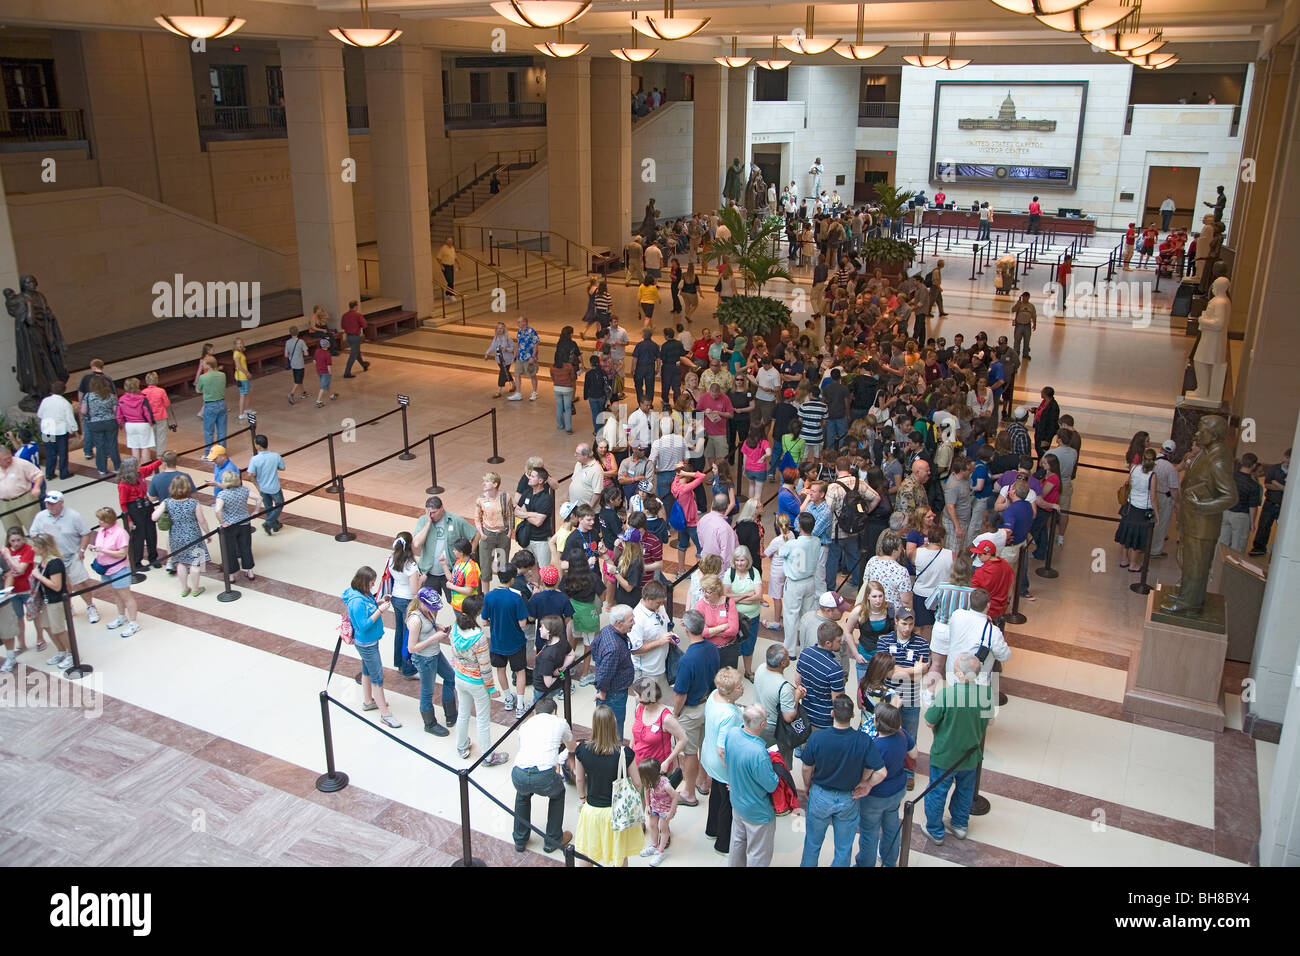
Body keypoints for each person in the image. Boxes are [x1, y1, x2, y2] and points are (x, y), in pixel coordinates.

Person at [800, 694, 885, 867]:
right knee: (844, 848)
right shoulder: (863, 740)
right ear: (853, 715)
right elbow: (881, 772)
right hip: (849, 798)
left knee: (812, 844)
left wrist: (807, 785)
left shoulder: (818, 738)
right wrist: (866, 784)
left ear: (832, 714)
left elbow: (806, 767)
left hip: (820, 796)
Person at [923, 653, 992, 846]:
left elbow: (929, 721)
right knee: (965, 790)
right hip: (970, 755)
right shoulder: (985, 694)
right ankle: (960, 825)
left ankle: (935, 830)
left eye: (955, 669)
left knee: (937, 792)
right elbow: (991, 720)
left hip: (945, 755)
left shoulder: (947, 694)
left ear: (961, 674)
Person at [573, 704, 644, 866]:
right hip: (617, 812)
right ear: (614, 725)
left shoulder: (582, 749)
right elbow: (638, 783)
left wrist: (583, 799)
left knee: (587, 853)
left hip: (592, 811)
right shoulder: (624, 753)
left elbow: (579, 779)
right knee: (620, 855)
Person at [511, 695, 577, 854]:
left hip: (518, 773)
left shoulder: (525, 726)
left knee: (522, 795)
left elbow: (522, 749)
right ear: (554, 711)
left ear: (535, 712)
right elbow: (572, 746)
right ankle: (553, 840)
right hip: (545, 775)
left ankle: (520, 839)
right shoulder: (560, 722)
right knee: (558, 794)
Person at [856, 700, 917, 867]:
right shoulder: (903, 734)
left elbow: (868, 772)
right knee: (891, 827)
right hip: (897, 790)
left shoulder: (875, 745)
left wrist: (863, 783)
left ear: (877, 721)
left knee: (869, 832)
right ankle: (889, 861)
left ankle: (865, 864)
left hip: (875, 796)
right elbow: (914, 753)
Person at [450, 593, 508, 764]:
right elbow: (485, 666)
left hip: (460, 676)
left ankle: (461, 746)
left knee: (463, 714)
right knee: (482, 720)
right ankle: (487, 756)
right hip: (476, 682)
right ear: (477, 612)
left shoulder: (455, 626)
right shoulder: (479, 637)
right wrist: (491, 688)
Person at [722, 703, 780, 867]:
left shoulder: (732, 734)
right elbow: (771, 785)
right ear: (762, 725)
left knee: (737, 843)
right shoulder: (758, 752)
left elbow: (727, 761)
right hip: (758, 812)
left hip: (737, 803)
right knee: (758, 855)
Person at [672, 608, 719, 806]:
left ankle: (689, 792)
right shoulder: (713, 649)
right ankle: (704, 782)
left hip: (691, 710)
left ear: (686, 629)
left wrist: (675, 714)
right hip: (708, 703)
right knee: (704, 745)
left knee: (690, 752)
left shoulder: (687, 660)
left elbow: (680, 694)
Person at [344, 566, 401, 729]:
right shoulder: (356, 602)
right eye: (371, 583)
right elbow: (363, 625)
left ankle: (368, 700)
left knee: (367, 670)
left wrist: (379, 602)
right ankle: (385, 714)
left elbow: (368, 607)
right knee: (377, 677)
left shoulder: (362, 594)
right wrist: (380, 611)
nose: (373, 586)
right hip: (366, 643)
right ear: (363, 582)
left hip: (369, 641)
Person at [482, 563, 531, 720]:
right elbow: (523, 623)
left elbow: (484, 621)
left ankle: (508, 699)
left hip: (497, 641)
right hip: (515, 641)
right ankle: (521, 704)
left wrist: (495, 622)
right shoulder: (516, 597)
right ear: (512, 579)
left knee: (500, 669)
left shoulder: (489, 596)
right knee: (520, 671)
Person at [405, 586, 456, 736]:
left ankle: (451, 714)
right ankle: (430, 723)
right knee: (427, 692)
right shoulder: (415, 620)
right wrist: (434, 637)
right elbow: (412, 648)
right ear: (422, 603)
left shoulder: (427, 612)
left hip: (435, 653)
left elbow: (430, 626)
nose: (435, 610)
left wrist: (438, 627)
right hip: (424, 659)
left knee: (450, 677)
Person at [412, 495, 477, 598]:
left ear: (441, 508)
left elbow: (475, 534)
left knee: (456, 601)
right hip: (429, 573)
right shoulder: (423, 520)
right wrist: (428, 523)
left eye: (434, 512)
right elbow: (416, 543)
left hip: (451, 570)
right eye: (428, 512)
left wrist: (467, 555)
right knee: (429, 604)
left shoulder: (455, 520)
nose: (431, 515)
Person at [89, 507, 140, 637]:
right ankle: (121, 616)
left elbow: (122, 553)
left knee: (126, 595)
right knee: (116, 594)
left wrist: (103, 550)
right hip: (105, 569)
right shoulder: (101, 532)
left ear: (108, 520)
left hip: (119, 569)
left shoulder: (120, 533)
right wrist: (95, 549)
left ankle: (133, 622)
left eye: (101, 520)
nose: (99, 522)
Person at [27, 534, 72, 668]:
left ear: (43, 547)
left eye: (35, 546)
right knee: (46, 626)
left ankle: (71, 653)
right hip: (46, 601)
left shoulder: (54, 563)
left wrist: (38, 576)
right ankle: (61, 650)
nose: (32, 548)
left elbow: (56, 586)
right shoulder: (43, 561)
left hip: (56, 600)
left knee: (59, 629)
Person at [592, 604, 637, 739]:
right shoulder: (614, 648)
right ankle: (616, 757)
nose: (634, 623)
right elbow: (605, 674)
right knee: (614, 731)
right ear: (619, 623)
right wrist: (603, 692)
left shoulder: (607, 630)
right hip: (613, 695)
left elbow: (594, 646)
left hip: (613, 691)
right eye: (630, 620)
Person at [797, 620, 847, 735]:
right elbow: (837, 702)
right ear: (828, 643)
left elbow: (797, 681)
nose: (842, 642)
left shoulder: (805, 653)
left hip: (805, 714)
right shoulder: (835, 669)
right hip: (824, 722)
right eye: (839, 641)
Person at [1116, 447, 1158, 570]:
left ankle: (1124, 559)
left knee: (1127, 533)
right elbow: (1153, 497)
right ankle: (1134, 564)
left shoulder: (1134, 468)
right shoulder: (1152, 475)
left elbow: (1128, 484)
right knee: (1137, 538)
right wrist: (1157, 514)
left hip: (1130, 505)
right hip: (1143, 509)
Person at [213, 469, 255, 583]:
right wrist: (256, 511)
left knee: (229, 550)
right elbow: (258, 498)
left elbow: (217, 510)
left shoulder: (222, 494)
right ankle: (250, 571)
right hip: (245, 523)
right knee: (246, 547)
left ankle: (231, 575)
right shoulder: (244, 490)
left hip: (229, 525)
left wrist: (222, 522)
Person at [1249, 447, 1288, 556]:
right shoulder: (1274, 469)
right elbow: (1267, 485)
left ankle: (1277, 550)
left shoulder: (1294, 471)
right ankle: (1259, 548)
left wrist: (1278, 485)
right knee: (1264, 525)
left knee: (1283, 530)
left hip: (1283, 505)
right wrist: (1283, 488)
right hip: (1270, 502)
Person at [474, 471, 511, 586]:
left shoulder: (505, 497)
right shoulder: (481, 499)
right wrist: (481, 533)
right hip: (487, 534)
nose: (483, 484)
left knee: (503, 566)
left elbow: (510, 515)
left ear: (495, 484)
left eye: (487, 481)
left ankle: (503, 591)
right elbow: (477, 517)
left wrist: (509, 532)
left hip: (502, 534)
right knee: (485, 567)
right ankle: (486, 597)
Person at [514, 468, 556, 569]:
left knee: (543, 569)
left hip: (541, 541)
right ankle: (536, 585)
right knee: (532, 568)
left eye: (532, 476)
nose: (529, 478)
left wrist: (525, 514)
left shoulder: (546, 498)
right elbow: (516, 511)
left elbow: (538, 522)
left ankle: (543, 585)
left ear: (540, 481)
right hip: (527, 538)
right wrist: (533, 514)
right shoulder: (527, 493)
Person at [1220, 453, 1262, 553]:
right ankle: (1232, 567)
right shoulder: (1253, 485)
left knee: (1222, 543)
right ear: (1254, 465)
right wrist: (1252, 523)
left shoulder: (1229, 476)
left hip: (1225, 512)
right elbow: (1253, 506)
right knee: (1237, 547)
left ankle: (1219, 565)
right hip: (1241, 517)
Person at [36, 380, 77, 480]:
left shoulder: (45, 401)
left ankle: (49, 473)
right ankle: (63, 473)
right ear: (64, 390)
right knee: (62, 453)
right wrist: (75, 430)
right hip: (60, 430)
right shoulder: (65, 403)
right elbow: (70, 418)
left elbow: (39, 414)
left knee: (50, 452)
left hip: (47, 428)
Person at [246, 435, 286, 536]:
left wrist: (257, 485)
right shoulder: (275, 456)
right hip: (274, 487)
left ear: (258, 446)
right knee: (279, 504)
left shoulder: (255, 459)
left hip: (262, 487)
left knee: (268, 507)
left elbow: (250, 474)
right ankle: (271, 524)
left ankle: (272, 524)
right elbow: (282, 468)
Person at [81, 374, 121, 477]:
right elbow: (115, 410)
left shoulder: (88, 396)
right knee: (113, 445)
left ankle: (102, 468)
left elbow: (83, 411)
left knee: (100, 446)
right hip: (110, 422)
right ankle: (117, 467)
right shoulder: (111, 396)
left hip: (95, 423)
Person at [0, 444, 44, 532]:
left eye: (10, 457)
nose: (9, 460)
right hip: (4, 503)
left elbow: (38, 475)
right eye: (5, 459)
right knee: (11, 531)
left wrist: (36, 487)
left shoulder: (20, 463)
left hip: (24, 499)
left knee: (34, 529)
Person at [115, 377, 156, 464]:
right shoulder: (142, 398)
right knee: (145, 447)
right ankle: (146, 469)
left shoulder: (121, 399)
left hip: (129, 424)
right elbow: (147, 412)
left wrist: (120, 423)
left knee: (134, 447)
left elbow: (119, 414)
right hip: (142, 424)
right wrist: (151, 422)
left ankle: (136, 469)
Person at [509, 314, 540, 402]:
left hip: (529, 357)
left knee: (532, 374)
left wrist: (533, 357)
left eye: (519, 322)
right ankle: (518, 393)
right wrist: (515, 355)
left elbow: (536, 345)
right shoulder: (519, 331)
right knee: (517, 374)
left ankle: (534, 392)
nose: (517, 323)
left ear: (524, 322)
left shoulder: (532, 332)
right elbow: (518, 344)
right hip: (520, 357)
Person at [340, 300, 370, 378]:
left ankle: (364, 364)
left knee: (357, 352)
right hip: (355, 337)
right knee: (353, 354)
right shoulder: (358, 315)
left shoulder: (344, 315)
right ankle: (347, 372)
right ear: (356, 306)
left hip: (348, 337)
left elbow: (342, 326)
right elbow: (365, 325)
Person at [284, 326, 310, 404]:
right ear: (298, 332)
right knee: (298, 380)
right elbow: (306, 353)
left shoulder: (287, 342)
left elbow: (286, 355)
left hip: (292, 364)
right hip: (300, 363)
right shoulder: (301, 341)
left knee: (298, 378)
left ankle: (303, 393)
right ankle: (291, 394)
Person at [312, 337, 337, 408]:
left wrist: (318, 366)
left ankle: (331, 395)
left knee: (326, 384)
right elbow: (328, 365)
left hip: (319, 371)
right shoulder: (327, 354)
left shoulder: (317, 351)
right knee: (323, 386)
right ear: (328, 345)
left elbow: (314, 361)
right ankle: (318, 400)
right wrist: (330, 373)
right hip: (325, 372)